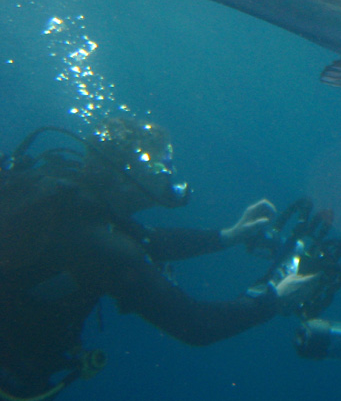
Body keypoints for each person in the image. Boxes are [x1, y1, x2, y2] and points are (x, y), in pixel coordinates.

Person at [0, 118, 316, 401]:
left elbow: (147, 239)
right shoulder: (104, 246)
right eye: (162, 166)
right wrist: (272, 301)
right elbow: (194, 324)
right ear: (127, 175)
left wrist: (228, 235)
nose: (170, 176)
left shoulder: (63, 189)